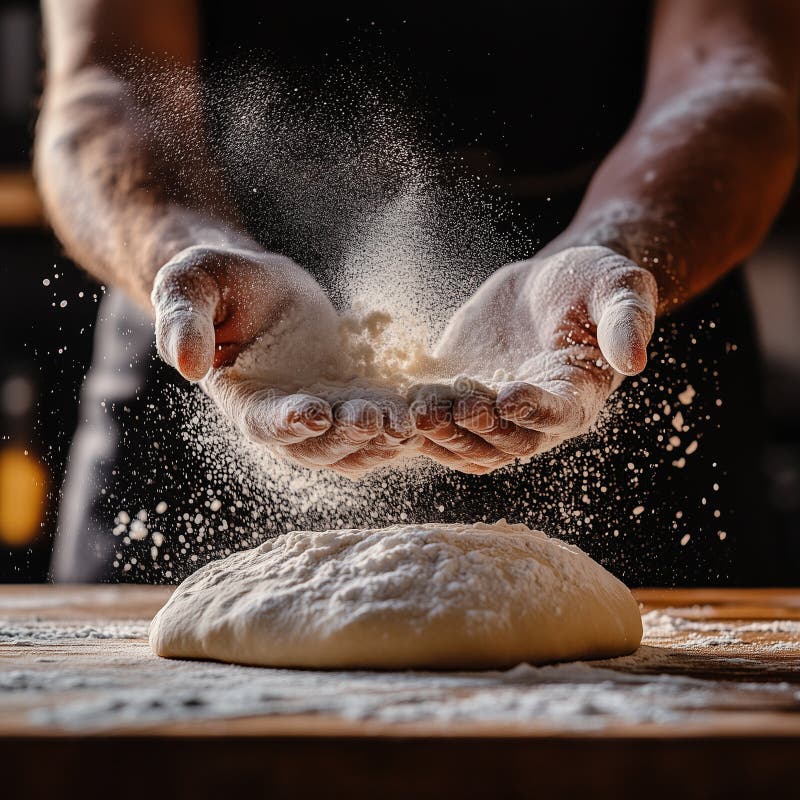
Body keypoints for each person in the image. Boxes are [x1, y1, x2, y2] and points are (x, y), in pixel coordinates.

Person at [36, 1, 800, 584]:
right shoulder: (217, 301)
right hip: (222, 323)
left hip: (602, 321)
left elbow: (731, 70)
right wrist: (185, 250)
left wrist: (619, 244)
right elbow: (107, 78)